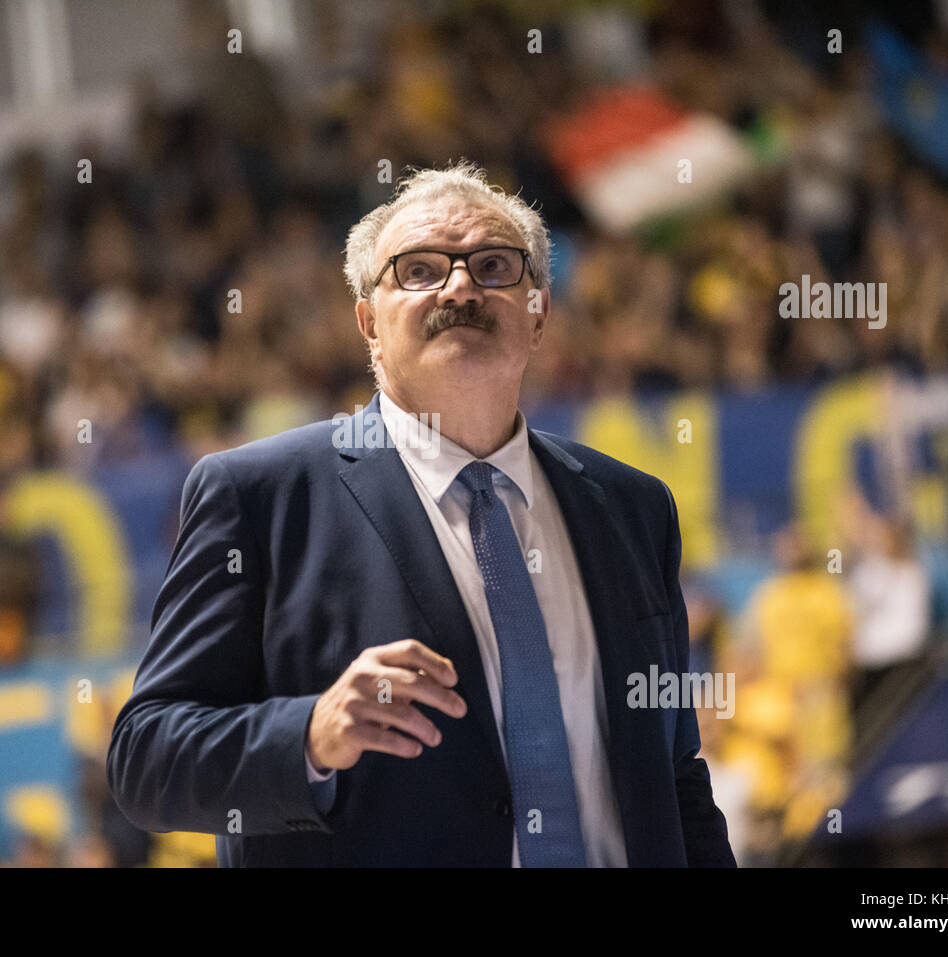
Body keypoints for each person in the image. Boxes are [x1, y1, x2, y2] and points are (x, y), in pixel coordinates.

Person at [107, 162, 736, 867]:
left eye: (495, 266)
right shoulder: (258, 496)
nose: (461, 286)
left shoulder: (632, 507)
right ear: (369, 322)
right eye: (419, 270)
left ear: (540, 313)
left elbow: (676, 773)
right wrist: (309, 733)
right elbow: (146, 760)